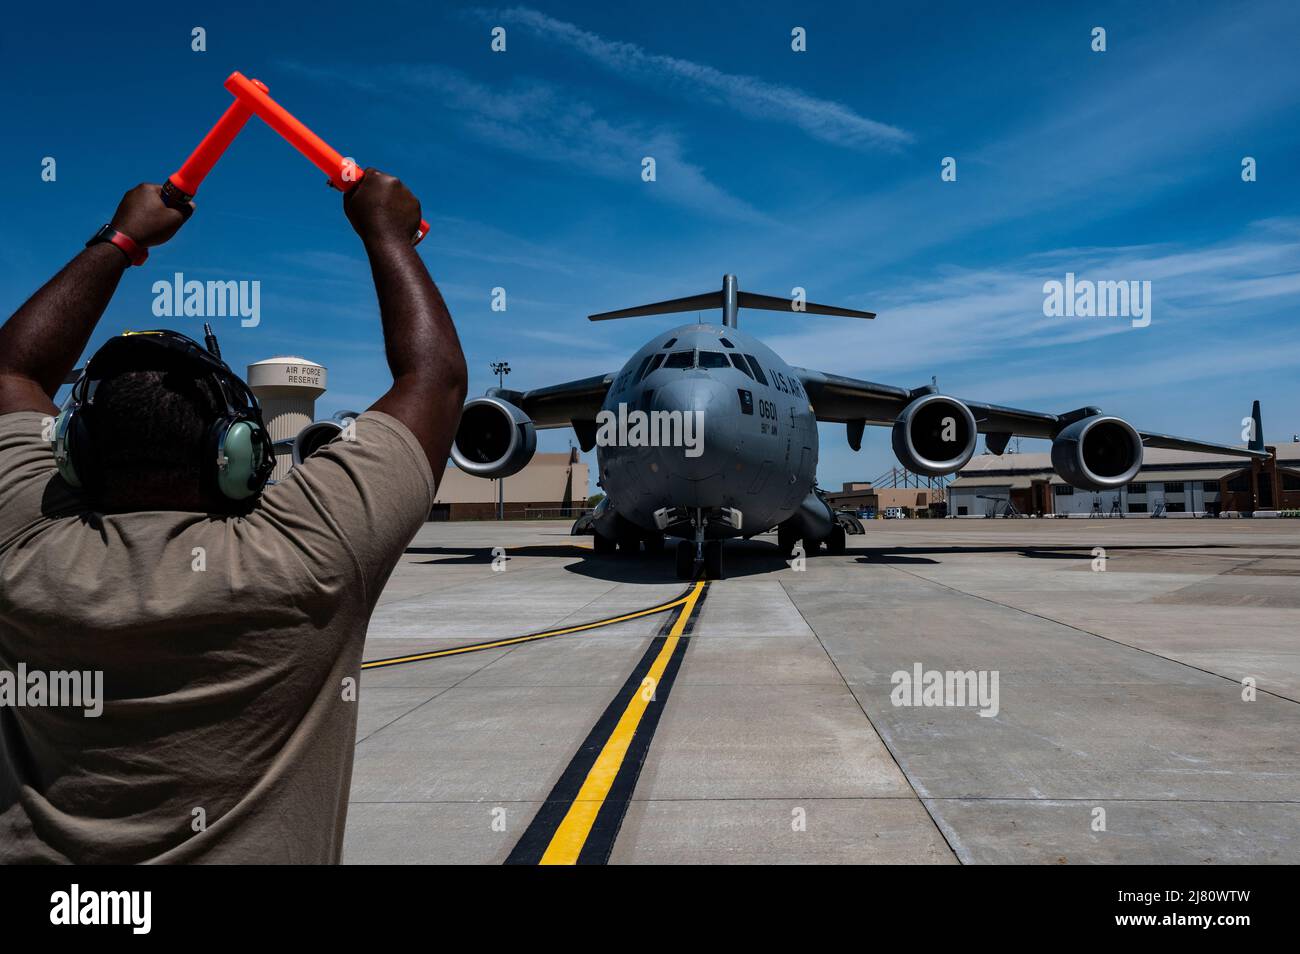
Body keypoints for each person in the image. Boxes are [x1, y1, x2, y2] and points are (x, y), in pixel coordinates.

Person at [0, 171, 467, 863]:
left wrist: (121, 240)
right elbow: (435, 377)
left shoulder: (20, 539)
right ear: (241, 455)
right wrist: (387, 233)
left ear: (73, 452)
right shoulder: (310, 550)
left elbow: (13, 371)